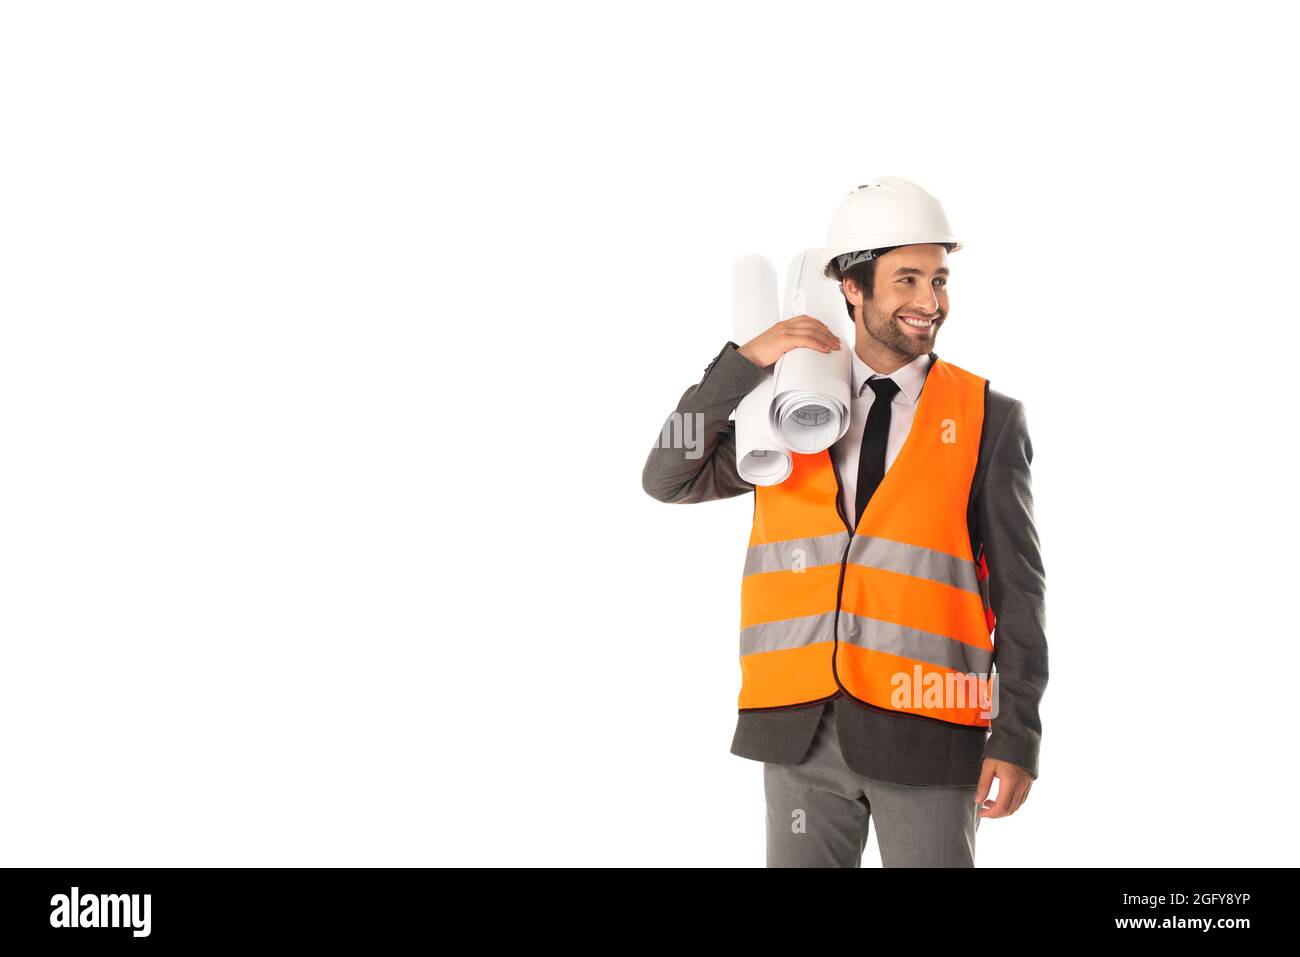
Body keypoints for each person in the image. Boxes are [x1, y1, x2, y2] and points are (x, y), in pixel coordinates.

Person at [641, 178, 1048, 867]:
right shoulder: (787, 403)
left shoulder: (988, 417)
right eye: (908, 279)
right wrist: (741, 363)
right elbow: (667, 471)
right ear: (852, 289)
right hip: (797, 731)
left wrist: (1016, 735)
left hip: (928, 728)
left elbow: (1021, 593)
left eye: (940, 279)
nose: (930, 301)